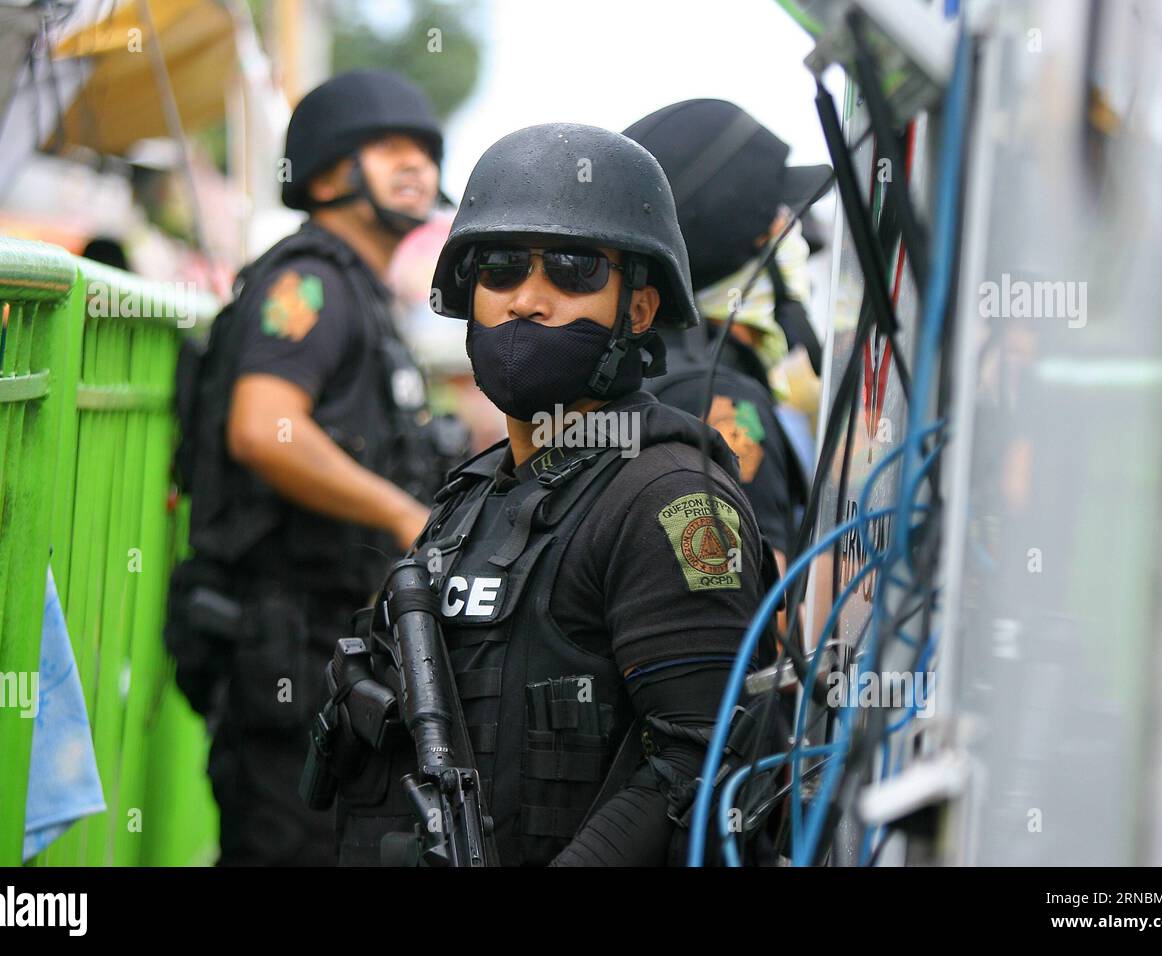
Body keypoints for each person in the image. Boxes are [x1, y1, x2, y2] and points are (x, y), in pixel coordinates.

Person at [315, 123, 775, 866]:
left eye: (573, 269)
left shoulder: (669, 499)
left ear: (639, 309)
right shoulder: (473, 494)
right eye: (499, 267)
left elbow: (704, 760)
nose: (527, 299)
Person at [165, 70, 455, 866]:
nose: (416, 166)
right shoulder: (313, 281)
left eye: (425, 151)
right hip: (281, 654)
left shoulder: (364, 294)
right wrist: (400, 515)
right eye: (389, 147)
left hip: (320, 656)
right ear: (328, 174)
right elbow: (265, 429)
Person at [624, 99, 831, 569]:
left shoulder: (644, 373)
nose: (798, 239)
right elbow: (765, 618)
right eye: (783, 221)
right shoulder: (721, 397)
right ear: (757, 246)